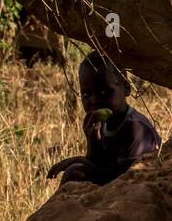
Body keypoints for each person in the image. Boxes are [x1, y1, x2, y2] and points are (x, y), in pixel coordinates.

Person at [47, 52, 161, 187]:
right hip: (118, 190)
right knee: (76, 172)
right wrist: (92, 140)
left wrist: (79, 161)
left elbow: (124, 180)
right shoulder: (105, 124)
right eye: (86, 94)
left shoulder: (135, 128)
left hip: (139, 193)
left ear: (125, 87)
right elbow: (97, 164)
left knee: (75, 171)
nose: (94, 100)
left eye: (104, 92)